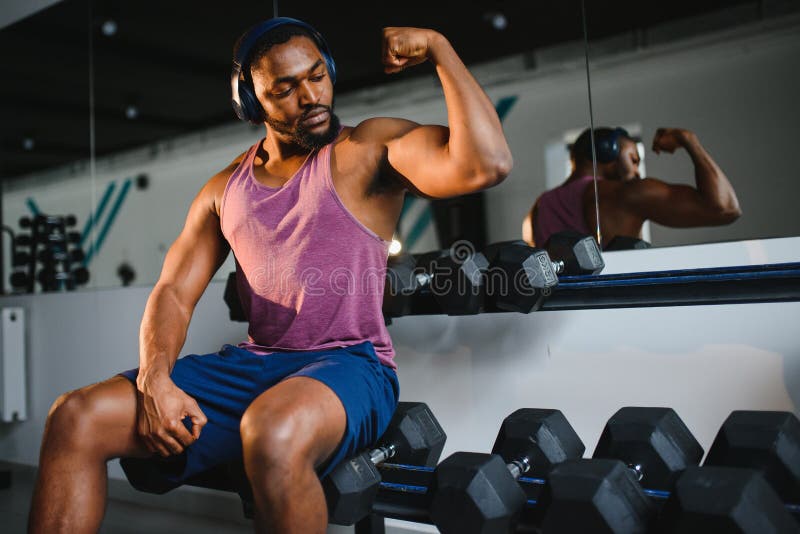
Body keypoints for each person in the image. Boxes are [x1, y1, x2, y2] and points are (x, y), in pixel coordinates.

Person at [27, 18, 512, 534]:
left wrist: (440, 49)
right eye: (284, 89)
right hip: (254, 367)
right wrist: (154, 378)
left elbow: (487, 163)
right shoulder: (223, 191)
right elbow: (172, 293)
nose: (310, 96)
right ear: (252, 102)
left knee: (273, 428)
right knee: (74, 418)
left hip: (351, 364)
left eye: (317, 76)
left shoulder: (365, 151)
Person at [522, 126, 741, 249]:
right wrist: (688, 140)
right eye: (634, 159)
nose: (636, 171)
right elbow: (725, 208)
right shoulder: (627, 194)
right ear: (609, 151)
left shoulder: (539, 208)